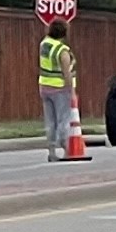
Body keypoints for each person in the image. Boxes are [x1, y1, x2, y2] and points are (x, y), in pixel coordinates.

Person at [38, 19, 80, 159]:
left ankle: (51, 151)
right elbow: (66, 73)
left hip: (44, 86)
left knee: (50, 121)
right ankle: (66, 148)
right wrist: (71, 91)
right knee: (63, 120)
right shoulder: (62, 50)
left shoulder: (44, 44)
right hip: (60, 88)